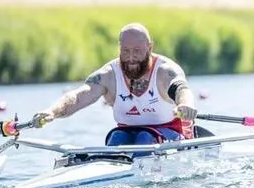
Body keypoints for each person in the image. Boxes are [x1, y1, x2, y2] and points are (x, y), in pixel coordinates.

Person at [31, 22, 199, 148]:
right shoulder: (109, 75)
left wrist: (185, 104)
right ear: (119, 48)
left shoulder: (164, 71)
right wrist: (52, 111)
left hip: (168, 134)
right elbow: (78, 96)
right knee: (116, 138)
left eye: (137, 51)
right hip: (126, 134)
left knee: (144, 138)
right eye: (125, 51)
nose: (131, 58)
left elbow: (182, 89)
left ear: (149, 47)